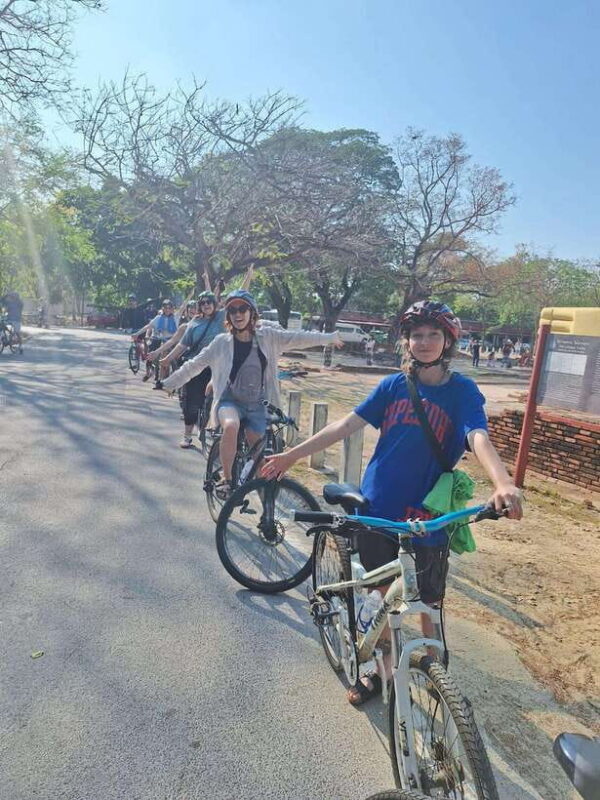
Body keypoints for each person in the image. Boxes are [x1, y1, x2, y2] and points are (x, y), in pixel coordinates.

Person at [261, 300, 522, 705]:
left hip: (429, 517)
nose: (423, 342)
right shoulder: (393, 386)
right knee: (382, 596)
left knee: (429, 604)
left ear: (448, 341)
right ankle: (379, 674)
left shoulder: (462, 392)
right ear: (406, 341)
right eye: (416, 335)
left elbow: (477, 437)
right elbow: (346, 425)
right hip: (378, 509)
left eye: (433, 334)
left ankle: (438, 690)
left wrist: (503, 482)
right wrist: (292, 456)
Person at [162, 290, 343, 498]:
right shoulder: (221, 342)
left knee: (259, 453)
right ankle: (227, 480)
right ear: (228, 315)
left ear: (252, 312)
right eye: (232, 310)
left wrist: (330, 337)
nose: (237, 314)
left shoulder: (269, 337)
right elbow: (194, 365)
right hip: (229, 401)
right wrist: (168, 383)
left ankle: (266, 506)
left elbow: (298, 337)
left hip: (257, 404)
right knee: (231, 425)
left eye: (242, 309)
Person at [131, 299, 181, 387]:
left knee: (176, 357)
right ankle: (151, 373)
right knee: (150, 354)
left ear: (172, 309)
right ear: (163, 308)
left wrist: (191, 295)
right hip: (158, 338)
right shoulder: (158, 318)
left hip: (170, 340)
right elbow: (148, 326)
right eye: (165, 308)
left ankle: (173, 377)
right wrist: (137, 334)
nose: (167, 309)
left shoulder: (176, 317)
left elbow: (183, 307)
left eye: (169, 308)